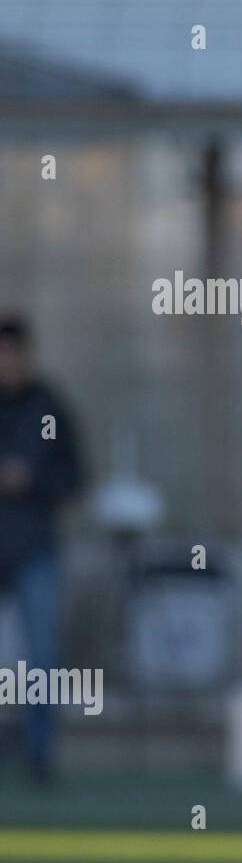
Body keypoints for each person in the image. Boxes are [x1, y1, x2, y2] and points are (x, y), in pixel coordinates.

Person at [0, 312, 83, 784]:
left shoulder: (48, 407)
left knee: (43, 653)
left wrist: (30, 482)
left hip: (33, 547)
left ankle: (40, 752)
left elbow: (74, 476)